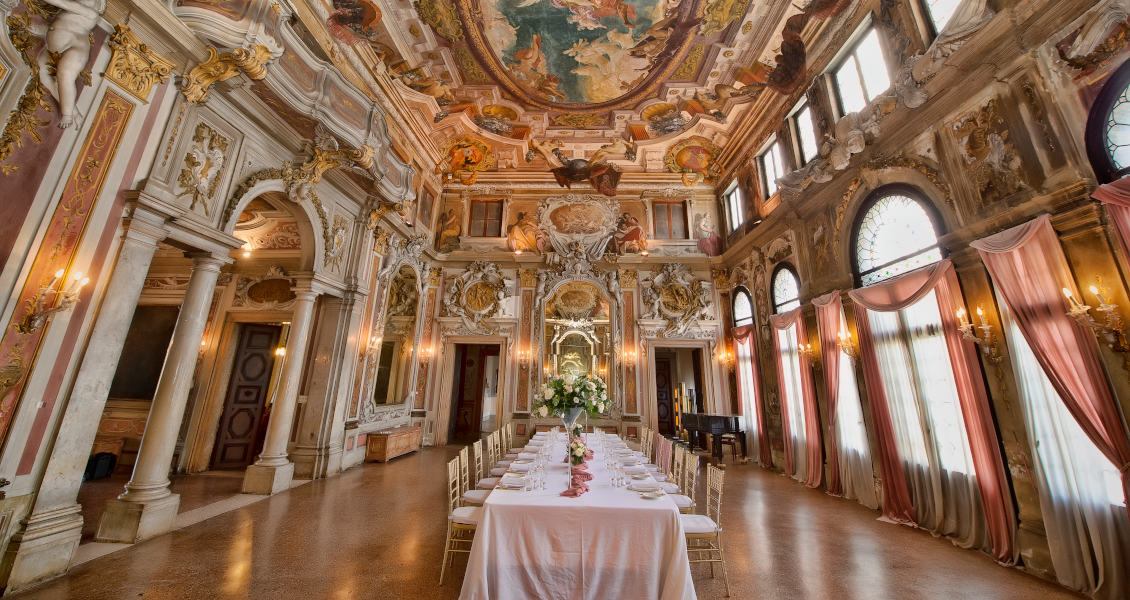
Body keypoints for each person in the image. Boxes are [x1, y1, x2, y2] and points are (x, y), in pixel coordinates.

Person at [37, 0, 106, 128]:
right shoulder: (69, 12)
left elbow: (63, 3)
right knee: (43, 76)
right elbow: (58, 25)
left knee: (65, 75)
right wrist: (36, 29)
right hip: (51, 49)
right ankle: (74, 111)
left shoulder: (91, 13)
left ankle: (66, 115)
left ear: (99, 7)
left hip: (75, 50)